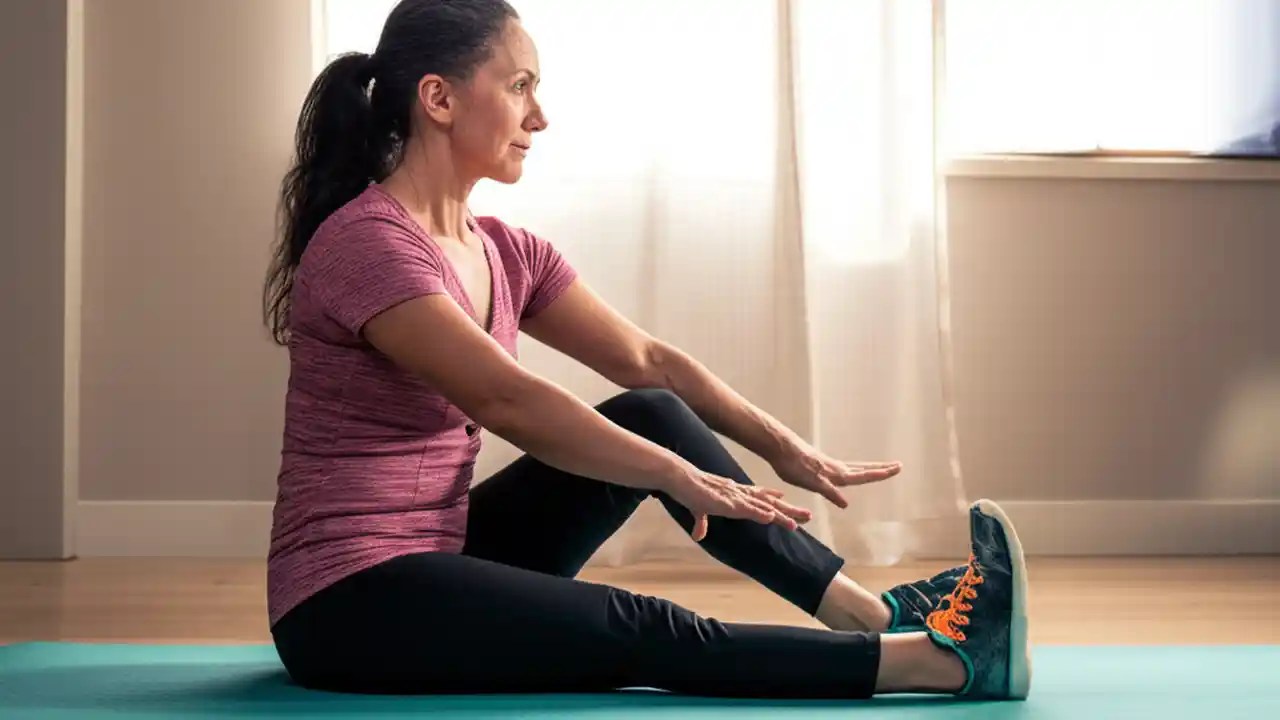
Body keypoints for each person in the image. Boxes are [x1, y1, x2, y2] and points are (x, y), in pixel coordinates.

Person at [261, 0, 1031, 701]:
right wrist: (677, 477)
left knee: (652, 411)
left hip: (449, 550)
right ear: (439, 98)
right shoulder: (368, 245)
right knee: (637, 624)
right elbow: (509, 402)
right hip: (348, 601)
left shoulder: (503, 249)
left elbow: (648, 362)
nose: (541, 116)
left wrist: (783, 445)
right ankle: (942, 665)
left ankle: (868, 612)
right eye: (522, 85)